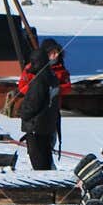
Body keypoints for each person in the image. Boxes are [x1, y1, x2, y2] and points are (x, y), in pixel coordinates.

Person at [18, 40, 69, 170]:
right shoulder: (33, 71)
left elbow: (67, 87)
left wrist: (50, 91)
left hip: (45, 116)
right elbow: (23, 87)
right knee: (42, 149)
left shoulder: (59, 71)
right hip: (44, 113)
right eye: (52, 53)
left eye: (57, 53)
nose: (55, 56)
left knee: (44, 148)